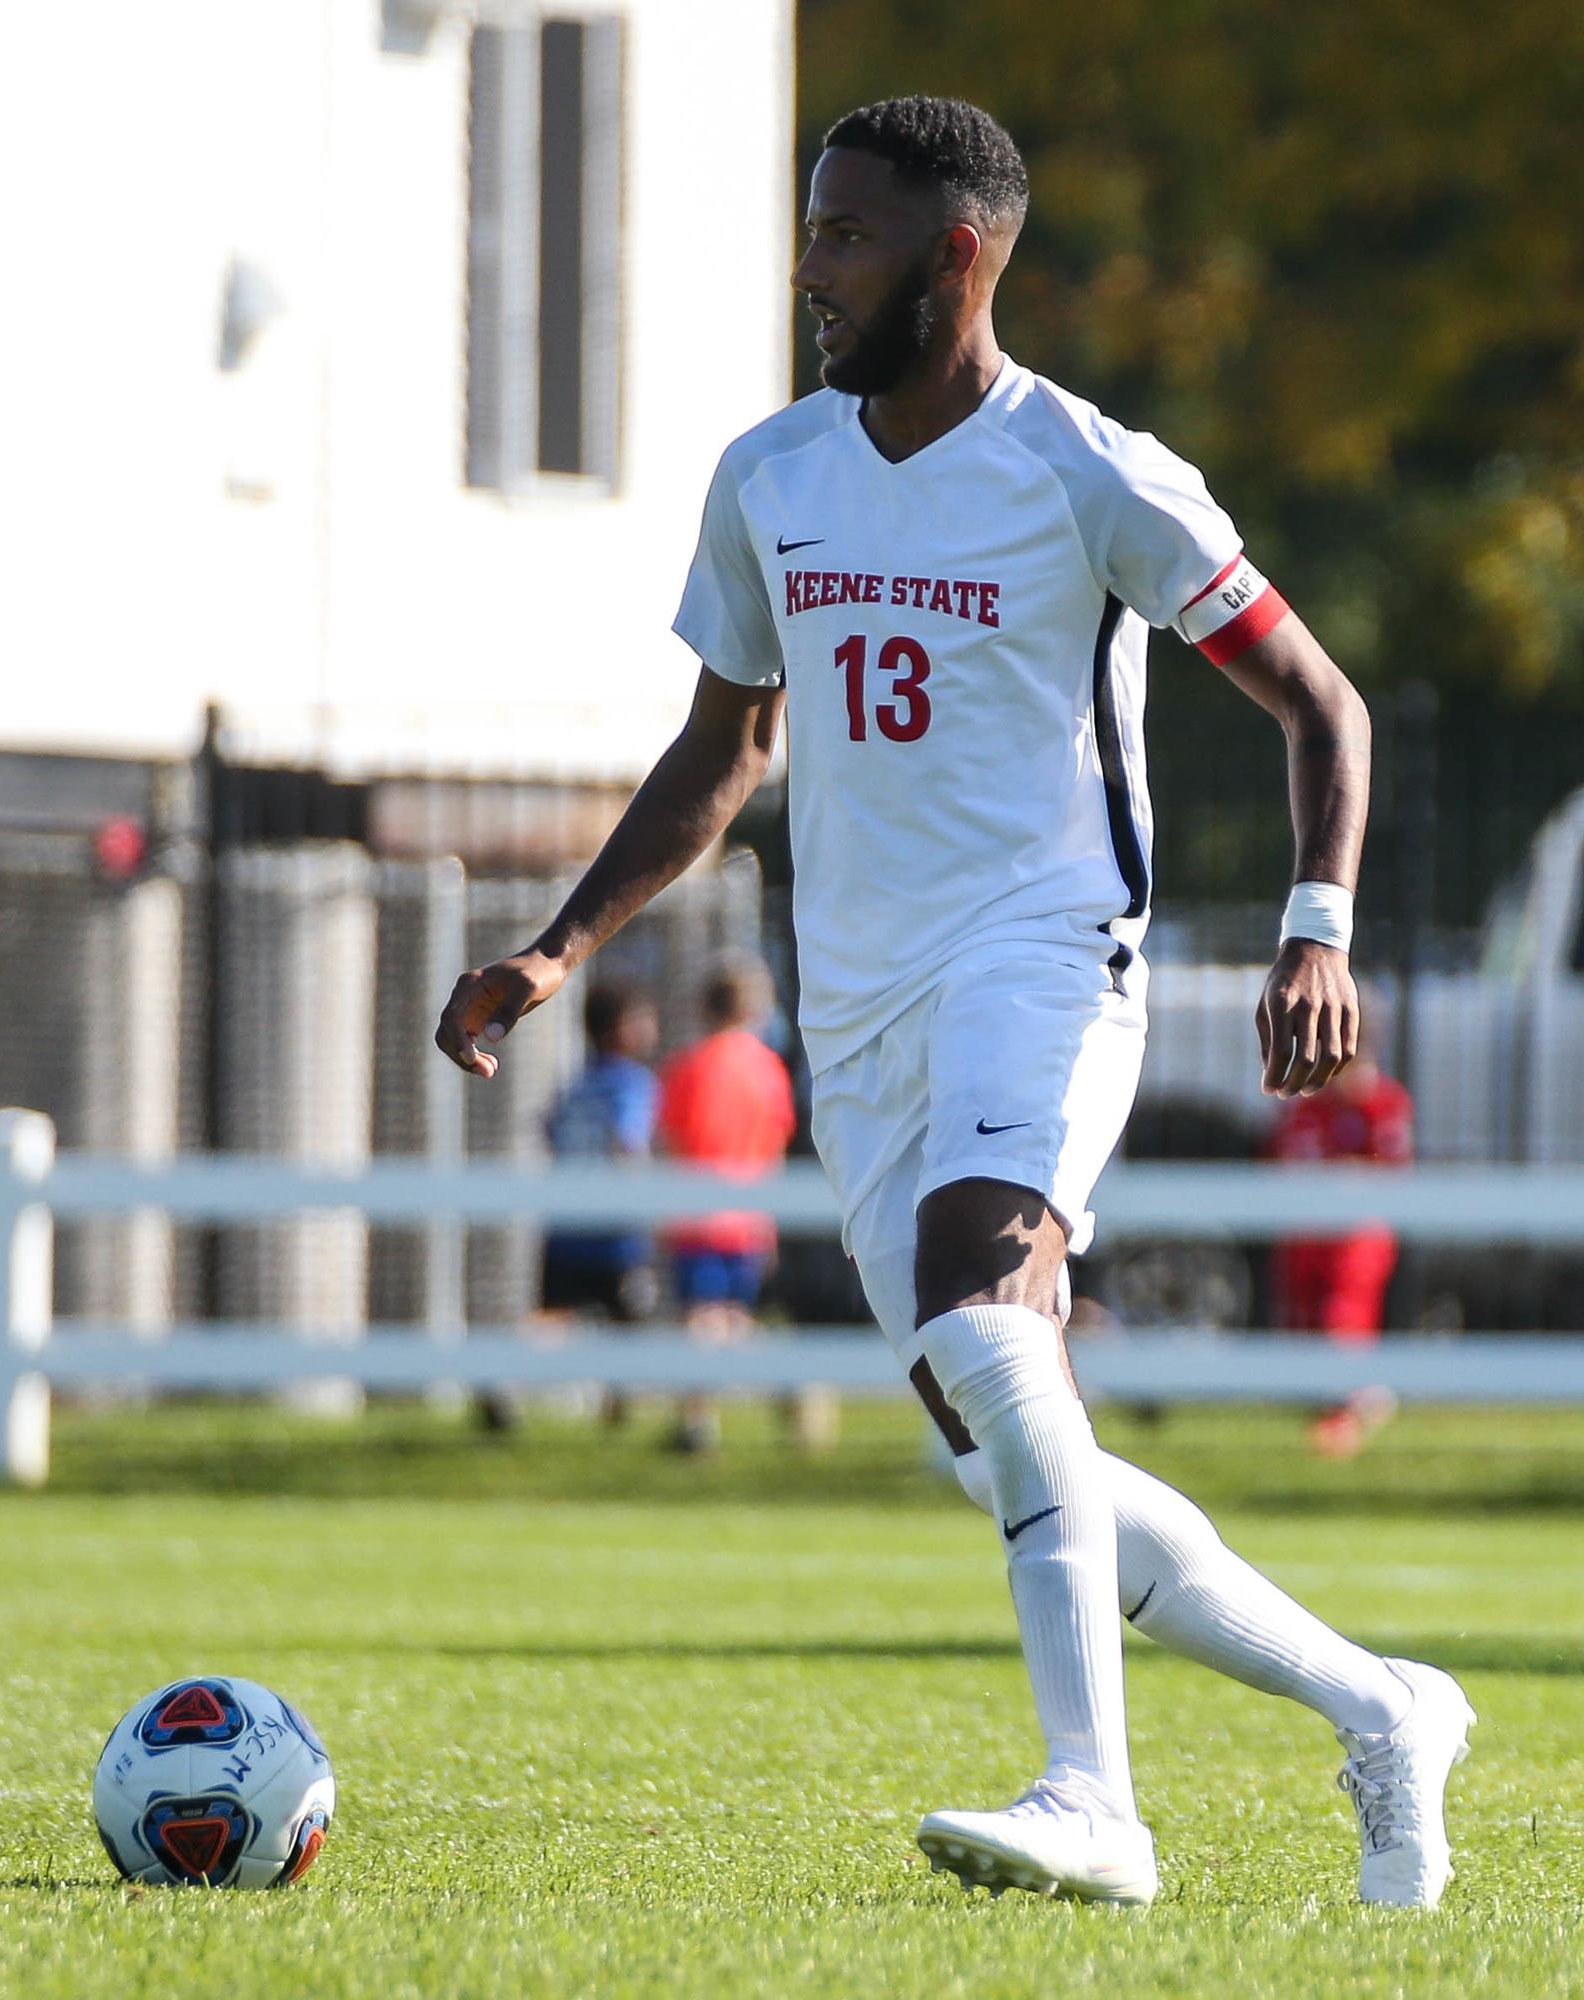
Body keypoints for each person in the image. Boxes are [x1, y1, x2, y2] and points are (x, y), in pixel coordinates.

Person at [437, 97, 1473, 1910]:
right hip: (857, 1012)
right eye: (812, 230)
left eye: (847, 236)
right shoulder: (771, 475)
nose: (810, 269)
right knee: (1006, 1447)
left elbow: (1323, 703)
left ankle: (1097, 1804)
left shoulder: (1090, 471)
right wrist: (559, 946)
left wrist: (1317, 927)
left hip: (1046, 953)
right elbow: (724, 748)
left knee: (992, 1332)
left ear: (958, 254)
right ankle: (1380, 1705)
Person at [657, 955, 798, 1452]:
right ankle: (788, 1380)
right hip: (750, 1218)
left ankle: (697, 1422)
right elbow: (775, 1147)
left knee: (700, 1319)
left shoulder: (689, 1067)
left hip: (698, 1218)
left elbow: (672, 1143)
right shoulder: (769, 1070)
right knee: (730, 1317)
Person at [1271, 1037, 1415, 1455]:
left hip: (1360, 1229)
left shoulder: (1385, 1101)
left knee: (1344, 1312)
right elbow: (1294, 1163)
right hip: (1311, 1227)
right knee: (1302, 1310)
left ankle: (1342, 1411)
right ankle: (1330, 1398)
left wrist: (1351, 1185)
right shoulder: (1310, 1102)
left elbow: (1394, 1168)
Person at [535, 980, 661, 1431]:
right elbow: (628, 1144)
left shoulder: (577, 1083)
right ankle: (618, 1409)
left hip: (566, 1224)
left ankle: (505, 1377)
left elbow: (548, 1130)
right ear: (620, 1028)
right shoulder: (630, 1083)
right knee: (628, 1318)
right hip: (613, 1231)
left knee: (555, 1313)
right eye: (641, 1019)